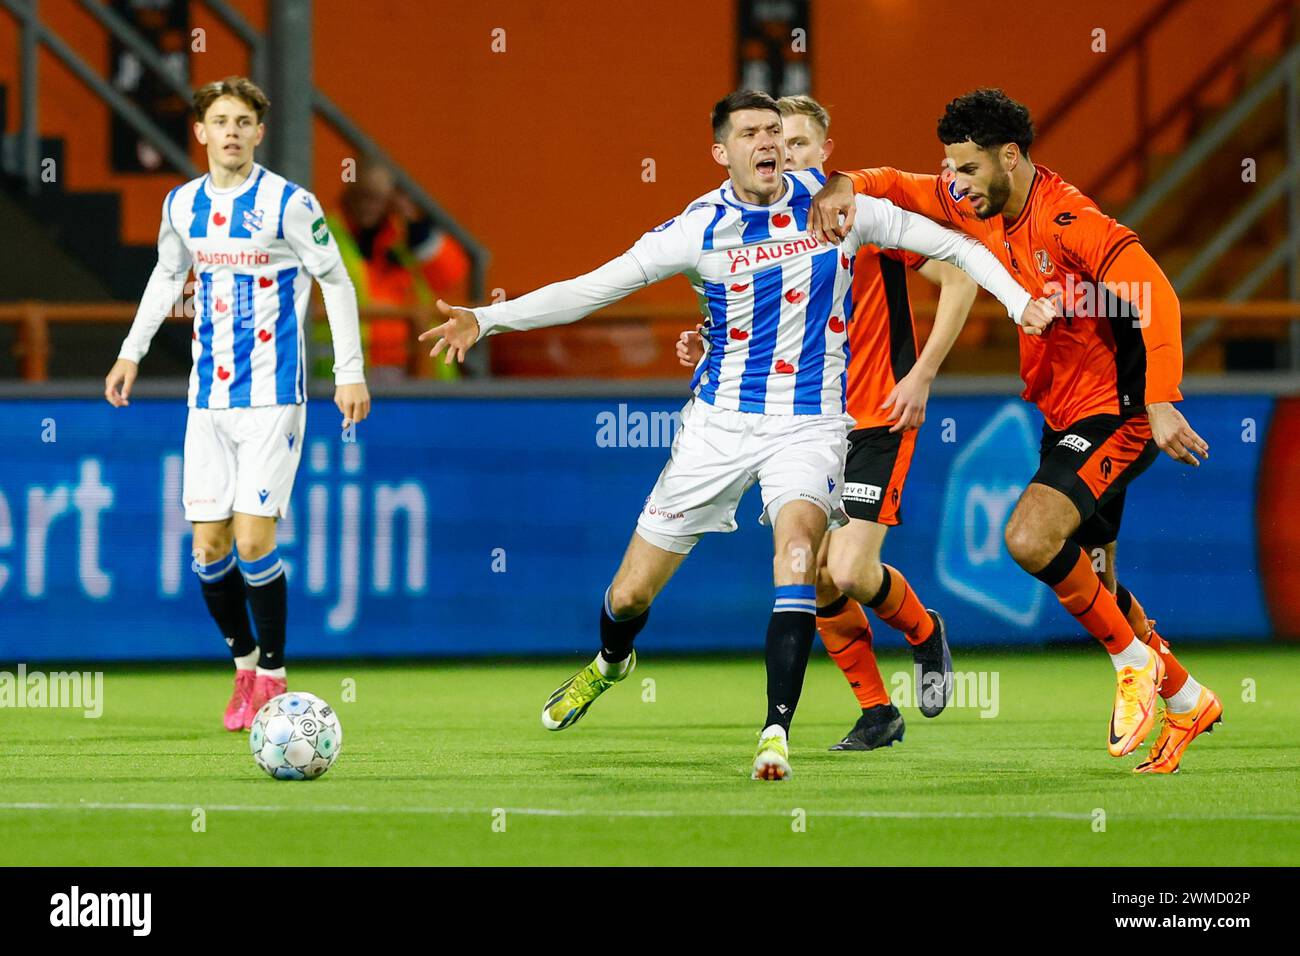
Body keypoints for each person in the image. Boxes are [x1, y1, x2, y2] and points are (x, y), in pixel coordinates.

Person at [420, 90, 1051, 780]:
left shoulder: (836, 208)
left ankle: (775, 733)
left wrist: (1021, 303)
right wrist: (487, 319)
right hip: (716, 428)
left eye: (774, 131)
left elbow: (953, 245)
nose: (767, 142)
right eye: (750, 132)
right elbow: (593, 287)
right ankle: (611, 661)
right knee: (629, 595)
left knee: (801, 556)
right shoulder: (698, 228)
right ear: (722, 152)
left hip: (809, 424)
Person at [810, 88, 1220, 773]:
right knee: (1102, 586)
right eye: (950, 168)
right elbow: (895, 185)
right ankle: (1186, 698)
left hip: (1117, 411)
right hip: (1066, 419)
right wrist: (845, 184)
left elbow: (1157, 294)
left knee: (1030, 536)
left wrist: (1162, 399)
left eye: (966, 168)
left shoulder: (1070, 222)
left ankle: (1132, 667)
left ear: (1009, 157)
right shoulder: (977, 202)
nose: (954, 183)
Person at [676, 94, 982, 751]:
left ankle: (924, 632)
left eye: (799, 146)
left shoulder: (868, 222)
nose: (785, 156)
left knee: (844, 571)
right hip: (803, 425)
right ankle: (877, 710)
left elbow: (960, 280)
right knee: (809, 574)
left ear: (826, 154)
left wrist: (923, 373)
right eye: (776, 148)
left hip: (878, 417)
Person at [103, 76, 372, 731]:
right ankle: (244, 668)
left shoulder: (289, 203)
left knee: (254, 540)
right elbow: (168, 274)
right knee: (207, 547)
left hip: (274, 395)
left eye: (242, 121)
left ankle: (275, 679)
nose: (230, 131)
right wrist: (131, 351)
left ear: (258, 132)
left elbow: (333, 279)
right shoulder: (182, 206)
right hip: (208, 400)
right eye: (219, 120)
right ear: (199, 132)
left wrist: (351, 371)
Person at [329, 162, 471, 378]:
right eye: (364, 196)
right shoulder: (325, 232)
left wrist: (415, 224)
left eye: (378, 198)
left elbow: (451, 275)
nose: (369, 206)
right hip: (349, 368)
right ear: (349, 195)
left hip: (415, 365)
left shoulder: (405, 238)